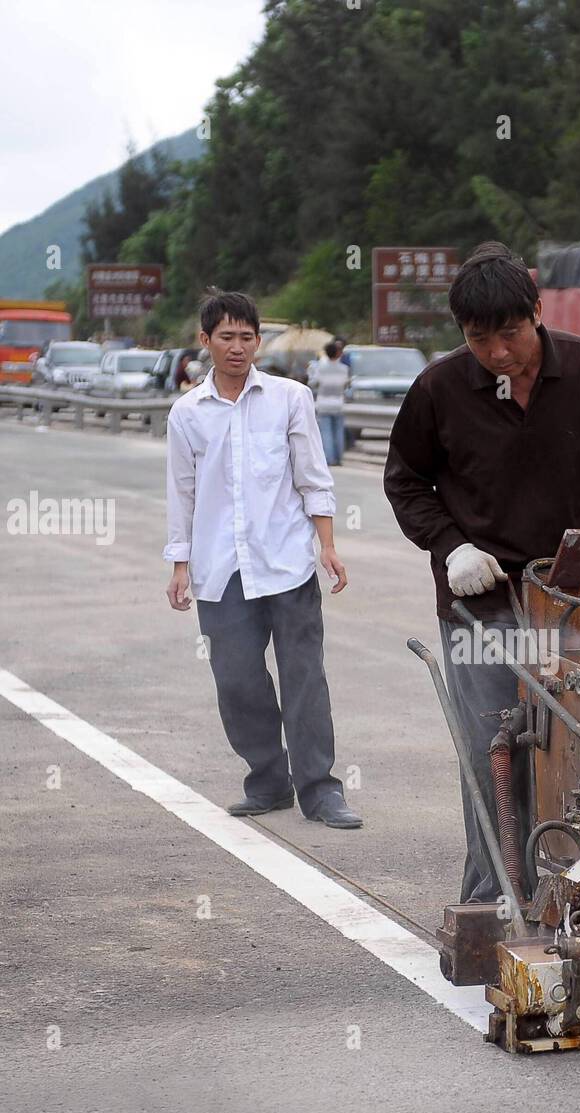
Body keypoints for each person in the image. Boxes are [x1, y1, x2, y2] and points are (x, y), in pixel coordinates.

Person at [384, 242, 580, 905]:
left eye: (509, 333)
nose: (496, 352)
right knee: (499, 751)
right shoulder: (439, 388)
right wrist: (450, 545)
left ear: (537, 313)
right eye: (478, 338)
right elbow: (404, 482)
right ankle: (493, 901)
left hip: (573, 599)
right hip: (478, 605)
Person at [163, 288, 362, 829]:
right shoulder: (187, 413)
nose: (237, 347)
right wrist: (179, 564)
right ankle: (268, 780)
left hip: (287, 563)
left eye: (247, 337)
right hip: (219, 569)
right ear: (205, 341)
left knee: (305, 676)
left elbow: (312, 476)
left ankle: (320, 791)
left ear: (258, 341)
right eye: (225, 336)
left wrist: (327, 544)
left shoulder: (290, 398)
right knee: (235, 678)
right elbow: (183, 493)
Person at [313, 338, 349, 466]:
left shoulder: (320, 368)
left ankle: (330, 458)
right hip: (338, 402)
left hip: (323, 402)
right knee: (338, 431)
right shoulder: (344, 369)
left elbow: (314, 383)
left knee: (326, 432)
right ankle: (339, 457)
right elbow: (345, 385)